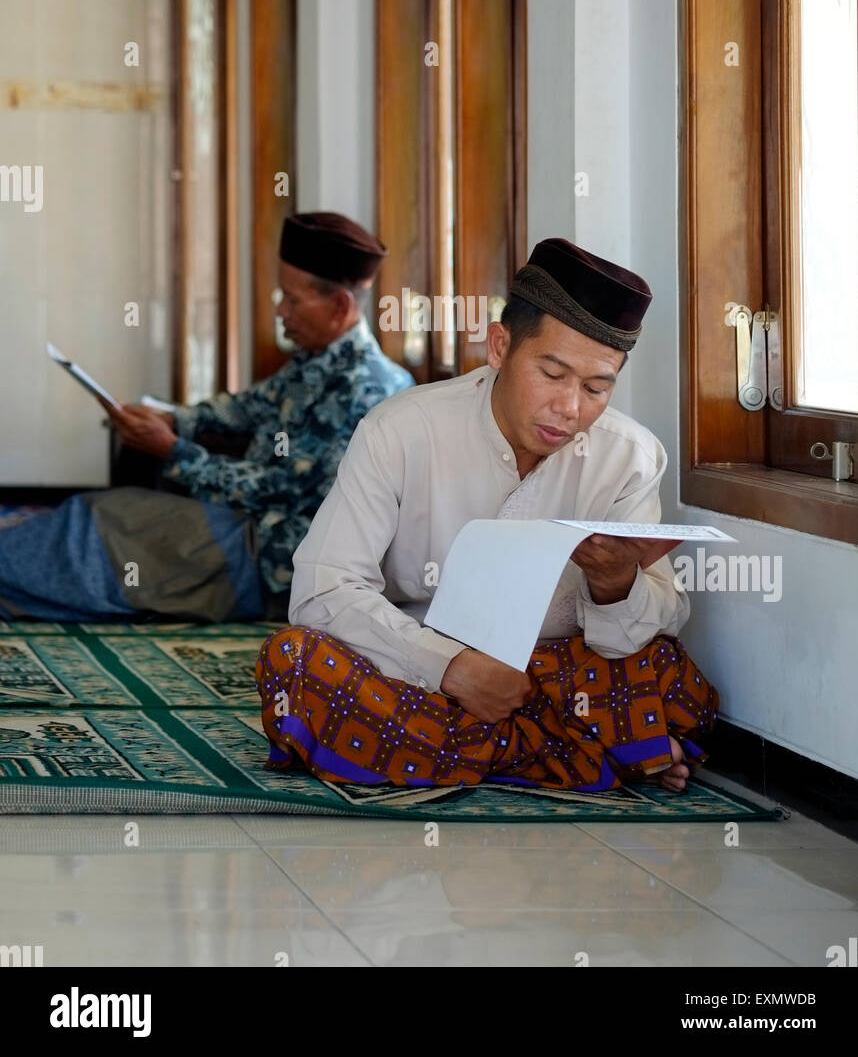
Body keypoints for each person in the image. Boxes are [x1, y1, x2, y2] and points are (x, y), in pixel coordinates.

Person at [256, 237, 719, 794]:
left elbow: (642, 632)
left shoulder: (629, 457)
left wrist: (617, 583)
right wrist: (451, 667)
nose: (571, 408)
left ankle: (494, 750)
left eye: (597, 387)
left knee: (672, 676)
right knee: (295, 662)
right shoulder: (402, 430)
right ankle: (579, 752)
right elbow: (321, 590)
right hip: (413, 671)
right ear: (500, 346)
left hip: (554, 676)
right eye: (552, 375)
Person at [0, 212, 413, 623]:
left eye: (292, 300)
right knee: (99, 516)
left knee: (98, 534)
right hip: (243, 526)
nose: (280, 311)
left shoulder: (362, 389)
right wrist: (173, 420)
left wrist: (175, 451)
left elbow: (280, 491)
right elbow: (247, 406)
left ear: (339, 305)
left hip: (271, 557)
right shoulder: (319, 361)